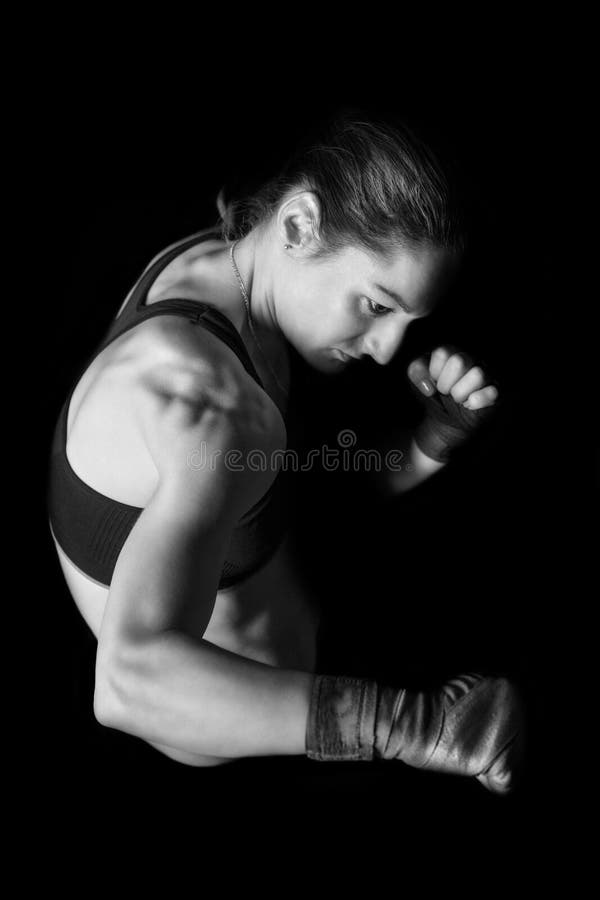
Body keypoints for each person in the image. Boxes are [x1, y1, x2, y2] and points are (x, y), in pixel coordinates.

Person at [46, 108, 525, 789]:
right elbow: (128, 684)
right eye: (376, 305)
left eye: (409, 320)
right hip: (240, 752)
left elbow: (282, 483)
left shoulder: (218, 260)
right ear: (298, 225)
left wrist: (429, 441)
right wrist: (412, 726)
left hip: (307, 608)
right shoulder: (211, 405)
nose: (389, 351)